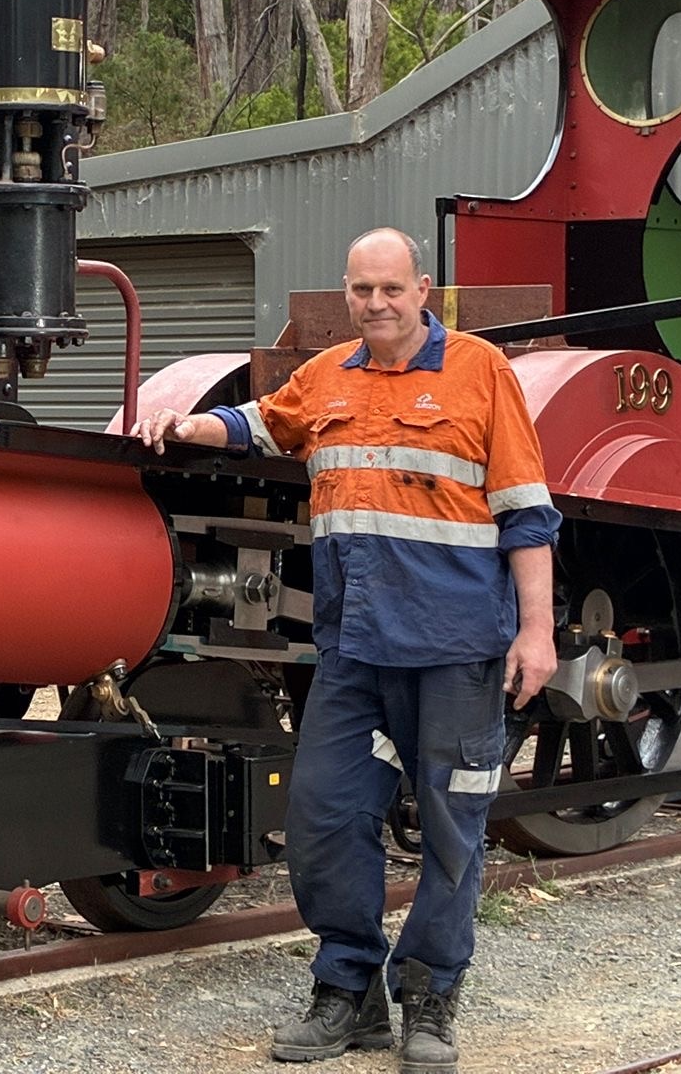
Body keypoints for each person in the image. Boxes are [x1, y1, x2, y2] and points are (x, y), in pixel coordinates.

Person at [133, 228, 559, 1073]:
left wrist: (536, 631)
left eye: (391, 289)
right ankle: (349, 992)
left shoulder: (481, 373)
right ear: (347, 293)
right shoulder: (328, 376)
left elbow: (527, 514)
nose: (376, 304)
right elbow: (258, 423)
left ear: (423, 289)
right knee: (323, 821)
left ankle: (432, 997)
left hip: (454, 649)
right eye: (361, 290)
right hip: (354, 651)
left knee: (451, 829)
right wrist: (183, 424)